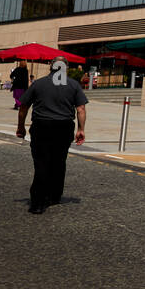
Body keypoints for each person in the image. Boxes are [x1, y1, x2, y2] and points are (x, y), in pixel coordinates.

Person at [15, 58, 88, 214]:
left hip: (42, 126)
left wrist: (21, 126)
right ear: (65, 68)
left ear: (51, 66)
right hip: (64, 127)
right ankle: (54, 196)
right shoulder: (73, 85)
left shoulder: (38, 84)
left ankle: (37, 202)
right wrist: (81, 129)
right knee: (59, 161)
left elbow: (23, 107)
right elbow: (80, 109)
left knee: (41, 162)